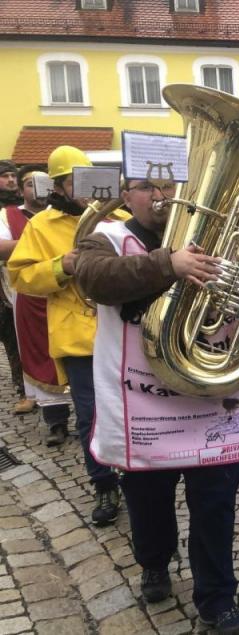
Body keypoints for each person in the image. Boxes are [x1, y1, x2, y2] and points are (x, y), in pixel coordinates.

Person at [74, 176, 239, 635]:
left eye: (173, 184)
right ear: (126, 195)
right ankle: (153, 562)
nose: (162, 195)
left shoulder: (231, 241)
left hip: (214, 404)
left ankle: (217, 598)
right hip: (144, 405)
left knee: (215, 509)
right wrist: (168, 264)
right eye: (147, 186)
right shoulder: (110, 236)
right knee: (148, 503)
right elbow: (92, 277)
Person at [8, 146, 123, 526]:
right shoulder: (42, 225)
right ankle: (103, 482)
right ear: (59, 185)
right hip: (79, 336)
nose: (86, 189)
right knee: (91, 414)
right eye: (76, 181)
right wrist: (62, 265)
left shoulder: (117, 217)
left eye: (91, 180)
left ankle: (139, 472)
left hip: (122, 328)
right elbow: (21, 276)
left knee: (132, 408)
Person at [0, 166, 72, 445]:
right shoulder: (9, 215)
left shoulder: (66, 214)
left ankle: (91, 417)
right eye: (30, 184)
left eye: (42, 183)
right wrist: (40, 241)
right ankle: (56, 421)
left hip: (67, 296)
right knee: (42, 357)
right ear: (21, 189)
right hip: (30, 298)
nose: (36, 189)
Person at [0, 159, 29, 414]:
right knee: (11, 339)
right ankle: (23, 388)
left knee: (21, 336)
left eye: (13, 176)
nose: (10, 180)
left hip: (17, 281)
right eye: (5, 176)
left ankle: (30, 388)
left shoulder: (24, 208)